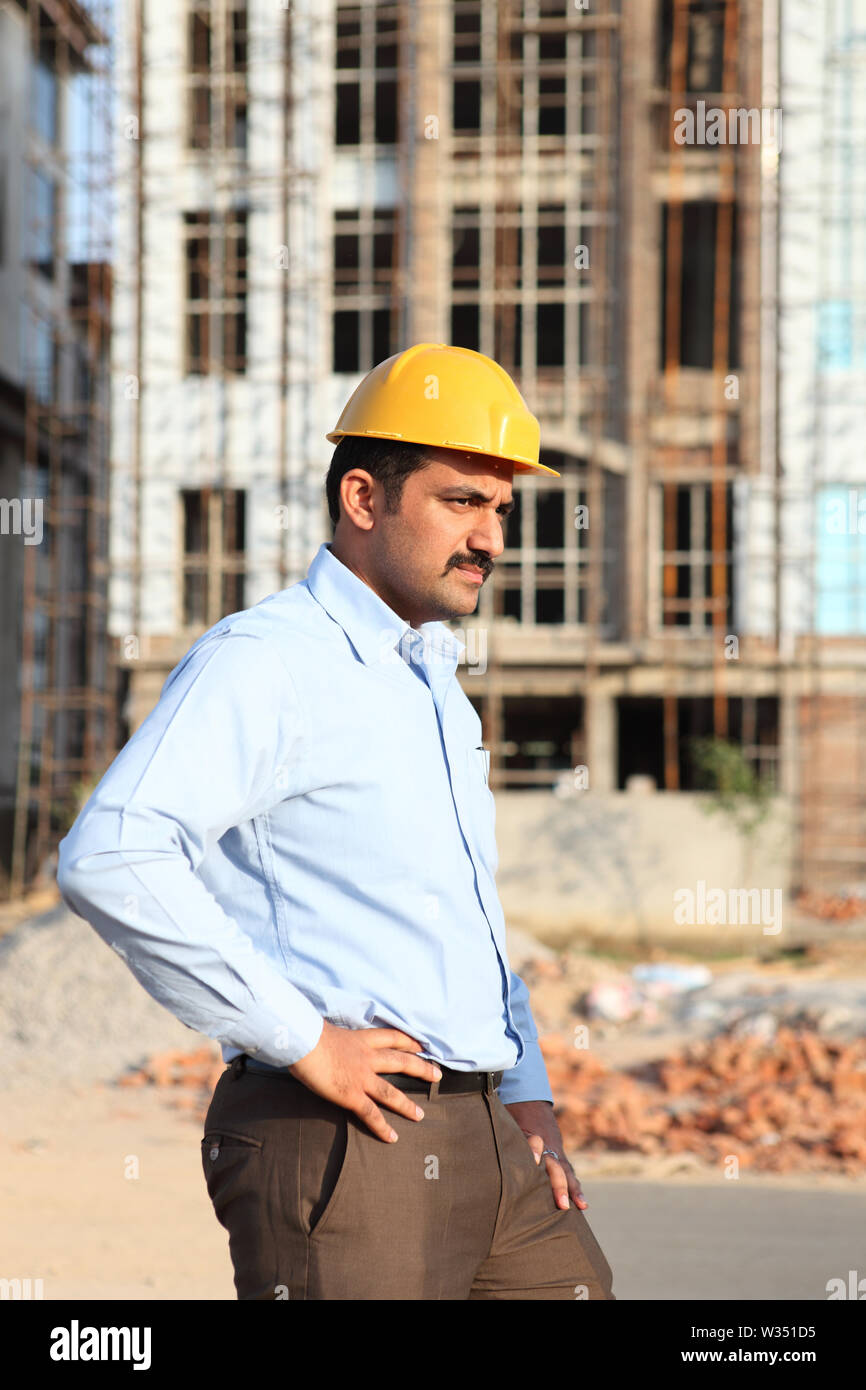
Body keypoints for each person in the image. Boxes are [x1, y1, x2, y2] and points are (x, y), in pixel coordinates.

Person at [57, 343, 616, 1301]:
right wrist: (301, 1037)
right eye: (461, 501)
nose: (491, 537)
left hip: (492, 1140)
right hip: (349, 1139)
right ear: (364, 499)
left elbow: (462, 914)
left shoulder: (434, 680)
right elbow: (111, 854)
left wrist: (523, 1094)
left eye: (502, 508)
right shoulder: (266, 661)